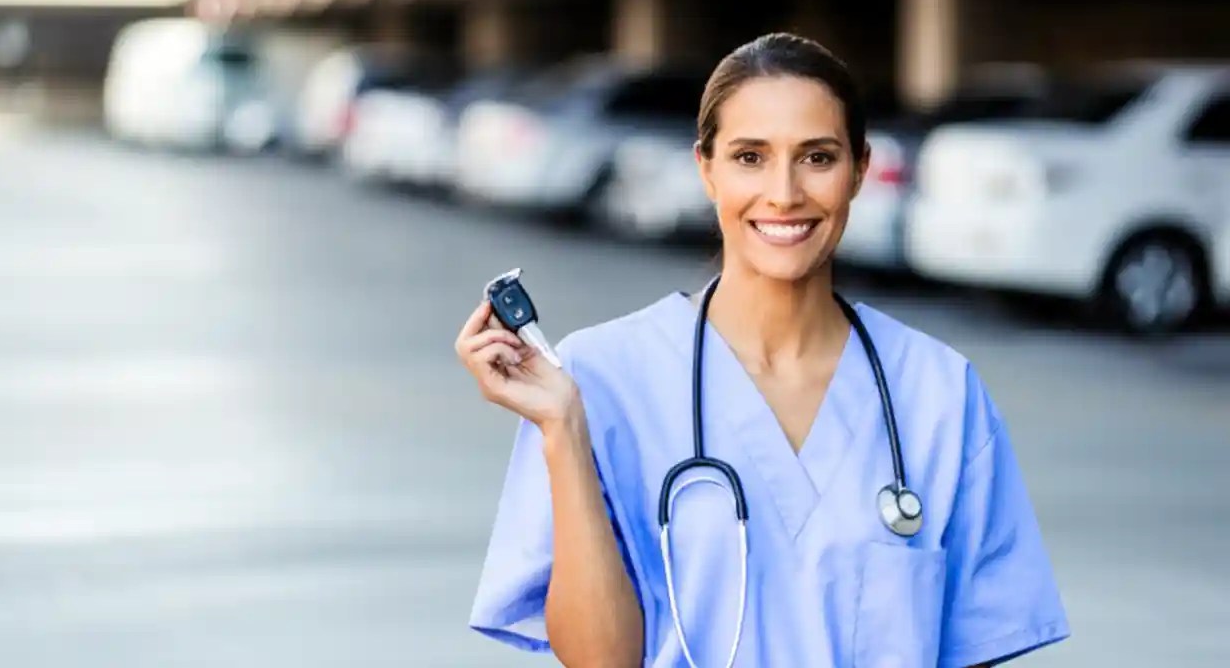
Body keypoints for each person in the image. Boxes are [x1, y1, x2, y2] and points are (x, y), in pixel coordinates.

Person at [455, 33, 1070, 667]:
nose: (783, 193)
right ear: (706, 169)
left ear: (860, 170)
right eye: (750, 157)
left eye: (817, 157)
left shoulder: (939, 392)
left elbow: (976, 647)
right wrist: (561, 430)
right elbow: (601, 661)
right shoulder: (595, 380)